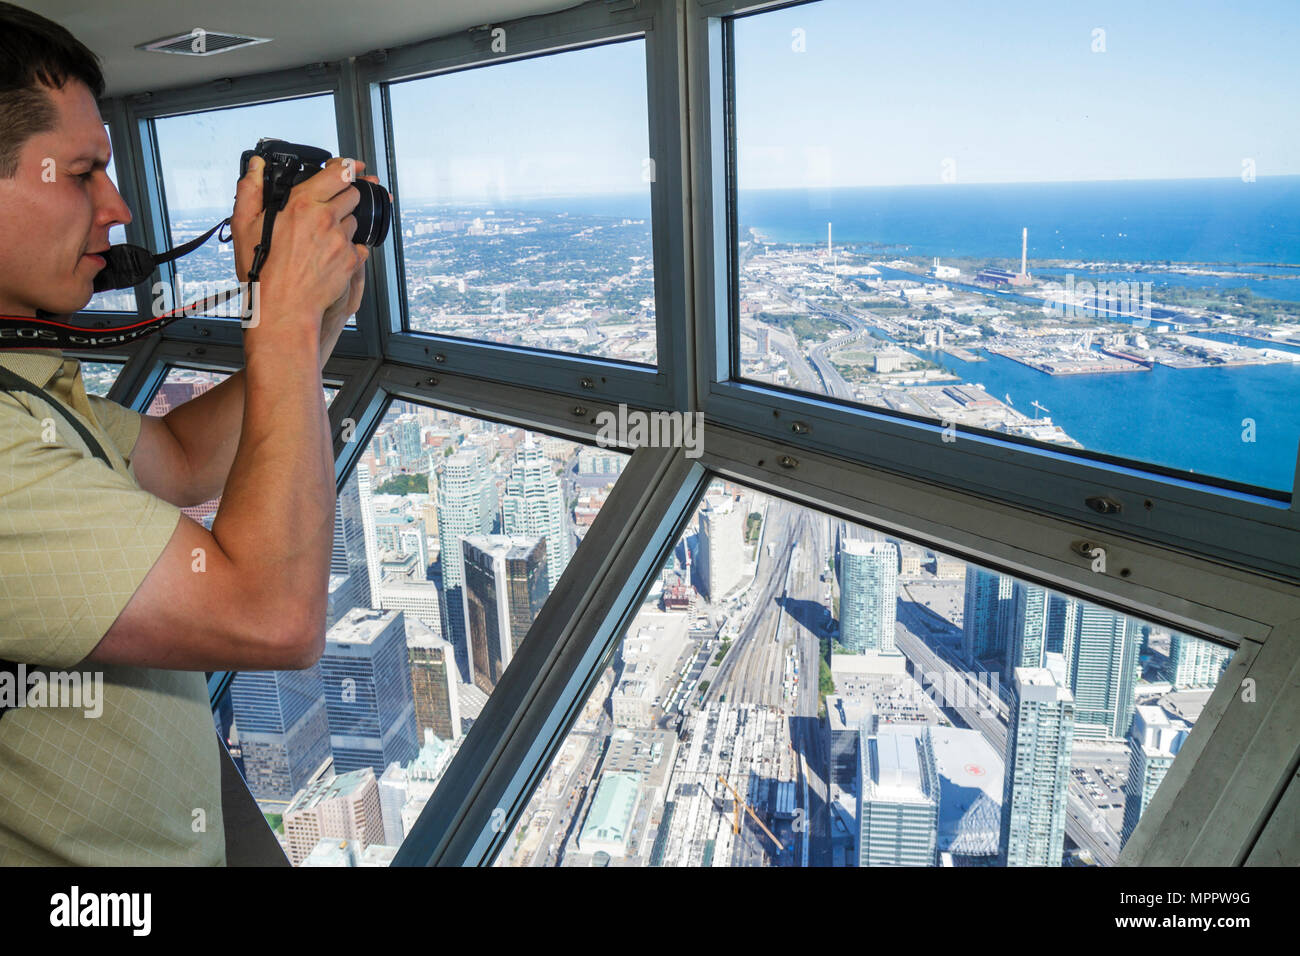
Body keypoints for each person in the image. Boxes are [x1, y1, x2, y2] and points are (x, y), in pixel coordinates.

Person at [0, 2, 372, 864]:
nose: (121, 209)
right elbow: (273, 620)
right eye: (82, 173)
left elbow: (179, 458)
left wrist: (311, 317)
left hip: (191, 812)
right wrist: (275, 319)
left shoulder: (27, 386)